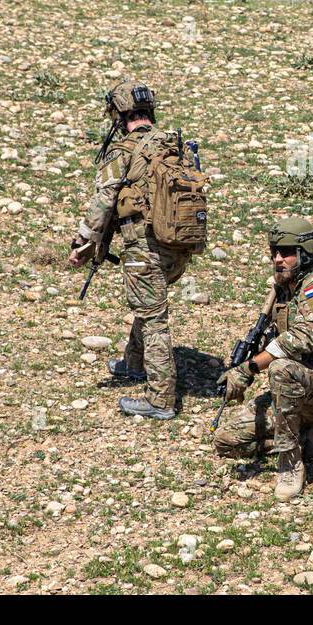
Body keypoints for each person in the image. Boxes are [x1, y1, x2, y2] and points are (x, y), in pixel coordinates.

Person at [69, 79, 191, 421]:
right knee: (148, 303)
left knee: (154, 319)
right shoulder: (173, 143)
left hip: (145, 246)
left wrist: (84, 241)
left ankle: (161, 399)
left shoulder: (124, 150)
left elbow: (103, 201)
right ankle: (133, 363)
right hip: (179, 246)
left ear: (120, 115)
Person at [212, 218, 313, 501]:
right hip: (291, 394)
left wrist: (251, 367)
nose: (278, 259)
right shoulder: (283, 290)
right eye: (274, 252)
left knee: (280, 369)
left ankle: (290, 464)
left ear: (304, 253)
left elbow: (305, 336)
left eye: (286, 252)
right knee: (226, 441)